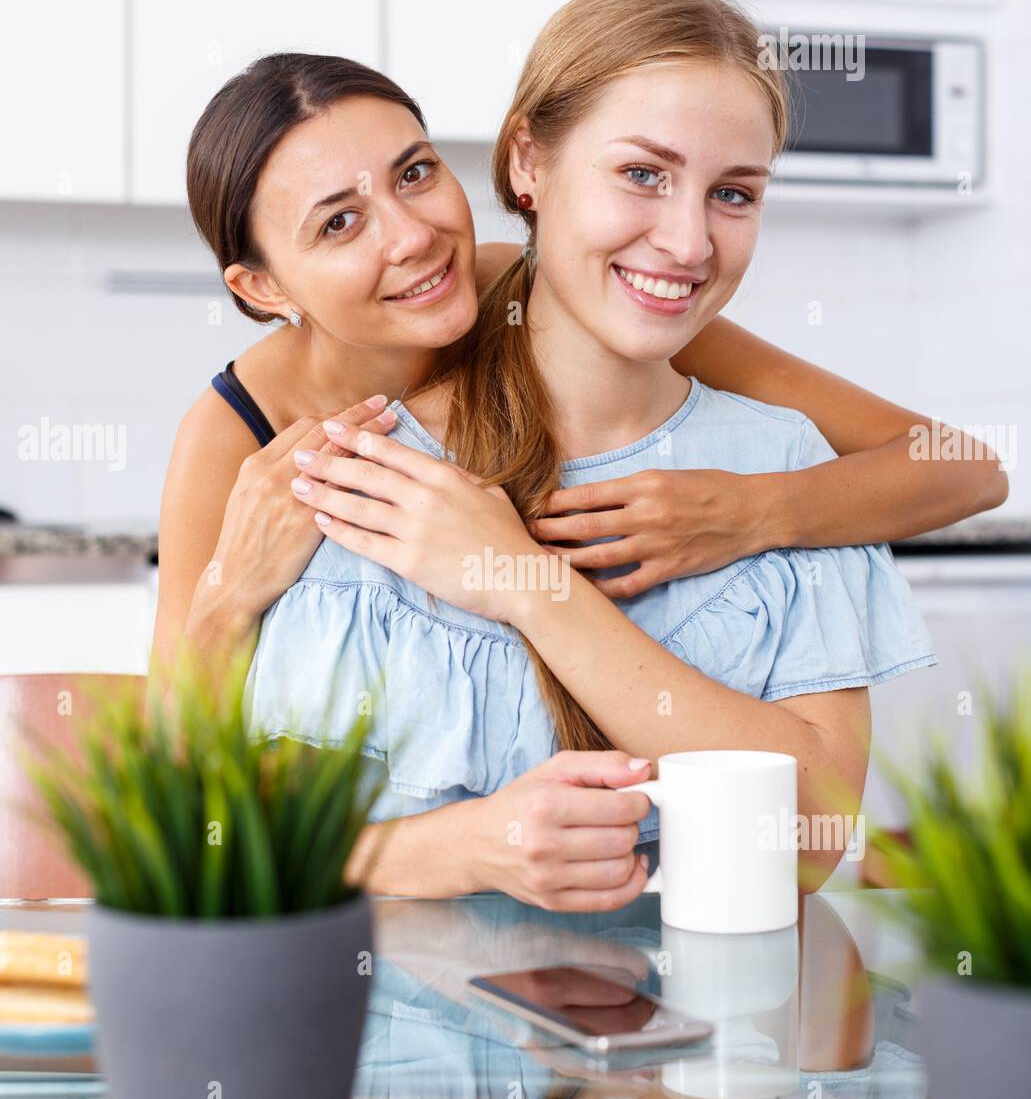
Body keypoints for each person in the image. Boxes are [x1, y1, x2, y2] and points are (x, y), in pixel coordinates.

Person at [244, 0, 944, 909]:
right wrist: (459, 850)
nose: (689, 243)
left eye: (732, 193)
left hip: (715, 1044)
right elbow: (259, 855)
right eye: (642, 174)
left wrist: (531, 591)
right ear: (528, 161)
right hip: (405, 1050)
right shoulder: (369, 482)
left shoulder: (786, 468)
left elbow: (808, 841)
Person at [155, 46, 1005, 676]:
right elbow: (173, 778)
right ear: (262, 287)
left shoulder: (553, 295)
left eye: (415, 173)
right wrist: (231, 599)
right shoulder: (238, 435)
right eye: (339, 222)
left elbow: (961, 471)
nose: (413, 235)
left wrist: (751, 512)